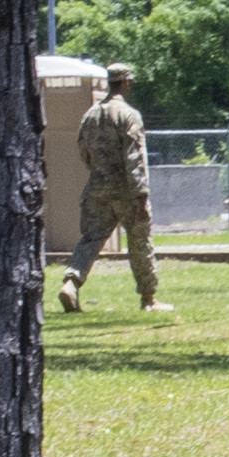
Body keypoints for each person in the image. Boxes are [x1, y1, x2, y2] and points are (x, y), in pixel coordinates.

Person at [62, 66, 163, 316]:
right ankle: (149, 298)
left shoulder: (90, 116)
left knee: (90, 241)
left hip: (97, 188)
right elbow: (135, 158)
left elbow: (83, 151)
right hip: (127, 191)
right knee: (140, 243)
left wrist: (99, 171)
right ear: (126, 83)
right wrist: (141, 196)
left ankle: (70, 284)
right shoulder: (129, 116)